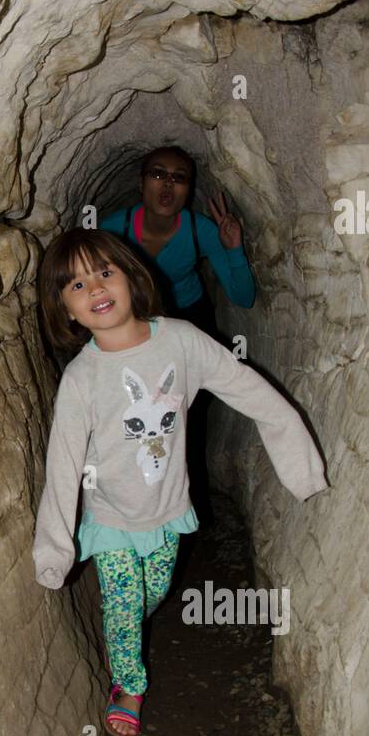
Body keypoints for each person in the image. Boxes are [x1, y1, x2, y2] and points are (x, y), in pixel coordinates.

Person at [32, 227, 328, 736]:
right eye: (76, 285)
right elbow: (62, 464)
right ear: (66, 310)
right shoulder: (81, 379)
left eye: (105, 273)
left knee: (152, 595)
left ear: (131, 276)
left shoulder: (182, 342)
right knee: (124, 602)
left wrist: (301, 470)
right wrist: (55, 549)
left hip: (168, 513)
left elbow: (251, 392)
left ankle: (125, 629)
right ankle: (129, 685)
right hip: (111, 518)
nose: (96, 289)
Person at [100, 146, 256, 525]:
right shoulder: (113, 231)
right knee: (134, 411)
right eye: (158, 174)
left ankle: (186, 504)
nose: (167, 185)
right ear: (141, 182)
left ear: (189, 189)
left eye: (179, 177)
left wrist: (232, 249)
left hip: (189, 319)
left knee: (185, 416)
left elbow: (243, 297)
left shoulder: (200, 230)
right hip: (138, 323)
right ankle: (133, 499)